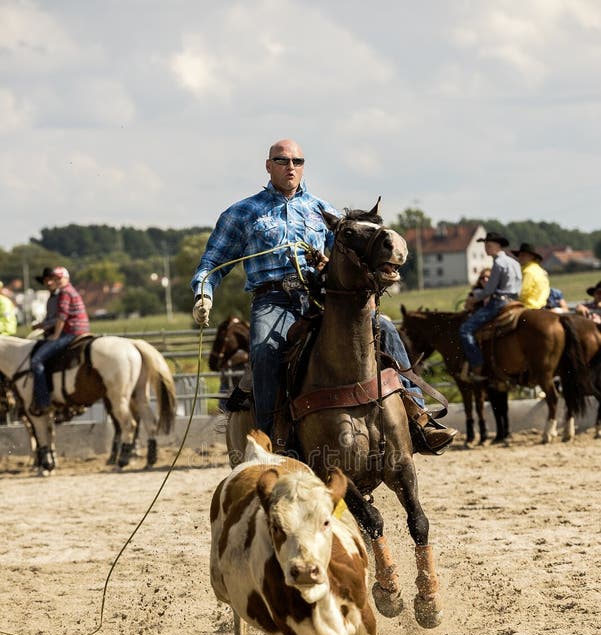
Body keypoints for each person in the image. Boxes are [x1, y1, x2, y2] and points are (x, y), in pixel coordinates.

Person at [191, 138, 456, 453]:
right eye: (282, 160)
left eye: (297, 162)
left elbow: (349, 259)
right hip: (272, 301)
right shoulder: (242, 213)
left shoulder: (323, 211)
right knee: (264, 351)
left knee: (383, 326)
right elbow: (211, 263)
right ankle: (269, 442)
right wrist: (203, 293)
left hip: (320, 297)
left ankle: (418, 417)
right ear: (268, 165)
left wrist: (334, 264)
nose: (291, 167)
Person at [459, 231, 522, 381]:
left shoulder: (499, 263)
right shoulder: (514, 261)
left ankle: (477, 365)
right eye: (485, 245)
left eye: (489, 245)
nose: (486, 248)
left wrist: (474, 298)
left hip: (499, 302)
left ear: (497, 246)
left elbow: (489, 290)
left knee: (465, 329)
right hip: (515, 301)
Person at [29, 266, 90, 416]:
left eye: (57, 278)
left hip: (70, 332)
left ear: (66, 279)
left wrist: (55, 334)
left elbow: (61, 317)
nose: (54, 281)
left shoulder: (64, 293)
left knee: (36, 360)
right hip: (79, 329)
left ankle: (43, 402)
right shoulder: (67, 291)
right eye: (52, 279)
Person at [511, 242, 550, 309]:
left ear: (531, 257)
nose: (520, 258)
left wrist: (510, 299)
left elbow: (523, 291)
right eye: (519, 255)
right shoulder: (540, 270)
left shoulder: (528, 271)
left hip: (528, 306)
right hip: (542, 305)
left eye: (523, 255)